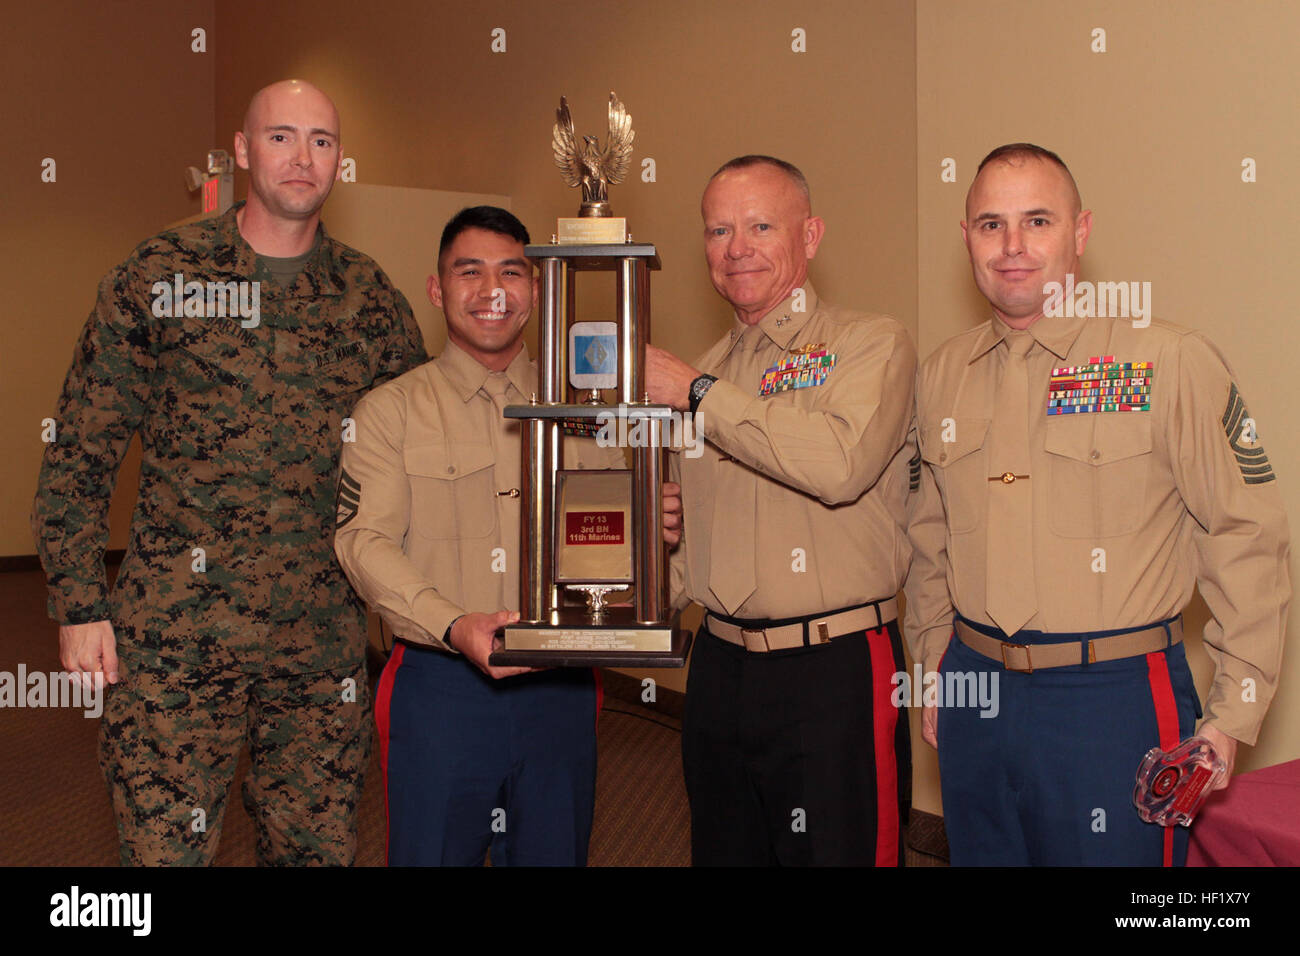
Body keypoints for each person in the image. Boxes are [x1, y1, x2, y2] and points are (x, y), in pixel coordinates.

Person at [31, 79, 427, 865]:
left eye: (322, 141)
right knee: (163, 858)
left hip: (319, 644)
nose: (302, 157)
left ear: (339, 161)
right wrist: (79, 602)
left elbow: (420, 455)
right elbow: (80, 450)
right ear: (244, 151)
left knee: (315, 852)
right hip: (175, 638)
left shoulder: (368, 297)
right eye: (280, 137)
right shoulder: (160, 274)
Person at [905, 143, 1291, 866]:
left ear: (1080, 233)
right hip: (974, 690)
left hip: (1114, 702)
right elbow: (931, 541)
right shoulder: (942, 375)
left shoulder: (1167, 361)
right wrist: (934, 668)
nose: (1013, 246)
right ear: (966, 239)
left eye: (1037, 221)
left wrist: (1233, 717)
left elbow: (1247, 536)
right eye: (990, 224)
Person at [333, 206, 682, 866]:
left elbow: (608, 546)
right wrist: (455, 623)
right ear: (438, 290)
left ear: (538, 289)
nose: (492, 291)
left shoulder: (585, 409)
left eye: (511, 273)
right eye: (470, 272)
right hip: (442, 691)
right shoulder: (388, 412)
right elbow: (363, 541)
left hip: (560, 691)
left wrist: (648, 529)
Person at [645, 155, 918, 866]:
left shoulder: (869, 344)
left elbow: (837, 464)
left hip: (832, 669)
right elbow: (689, 547)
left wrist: (698, 393)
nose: (737, 248)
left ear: (812, 234)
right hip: (718, 669)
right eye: (718, 230)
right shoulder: (703, 371)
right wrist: (635, 566)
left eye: (761, 225)